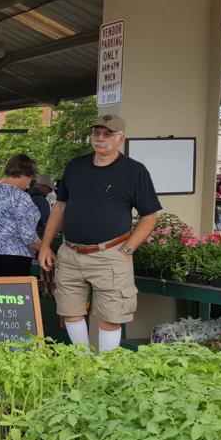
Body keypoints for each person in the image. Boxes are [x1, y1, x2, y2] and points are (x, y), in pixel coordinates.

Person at [35, 114, 162, 353]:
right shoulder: (75, 166)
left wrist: (128, 249)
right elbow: (60, 207)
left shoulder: (134, 171)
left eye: (107, 134)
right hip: (70, 252)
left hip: (111, 253)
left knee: (111, 316)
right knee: (69, 311)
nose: (100, 138)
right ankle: (84, 363)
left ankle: (104, 369)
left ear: (120, 138)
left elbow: (150, 216)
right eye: (97, 133)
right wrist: (45, 245)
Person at [0, 154, 42, 277]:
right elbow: (28, 237)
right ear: (26, 174)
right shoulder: (21, 197)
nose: (29, 184)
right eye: (31, 178)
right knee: (13, 295)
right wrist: (46, 248)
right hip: (14, 257)